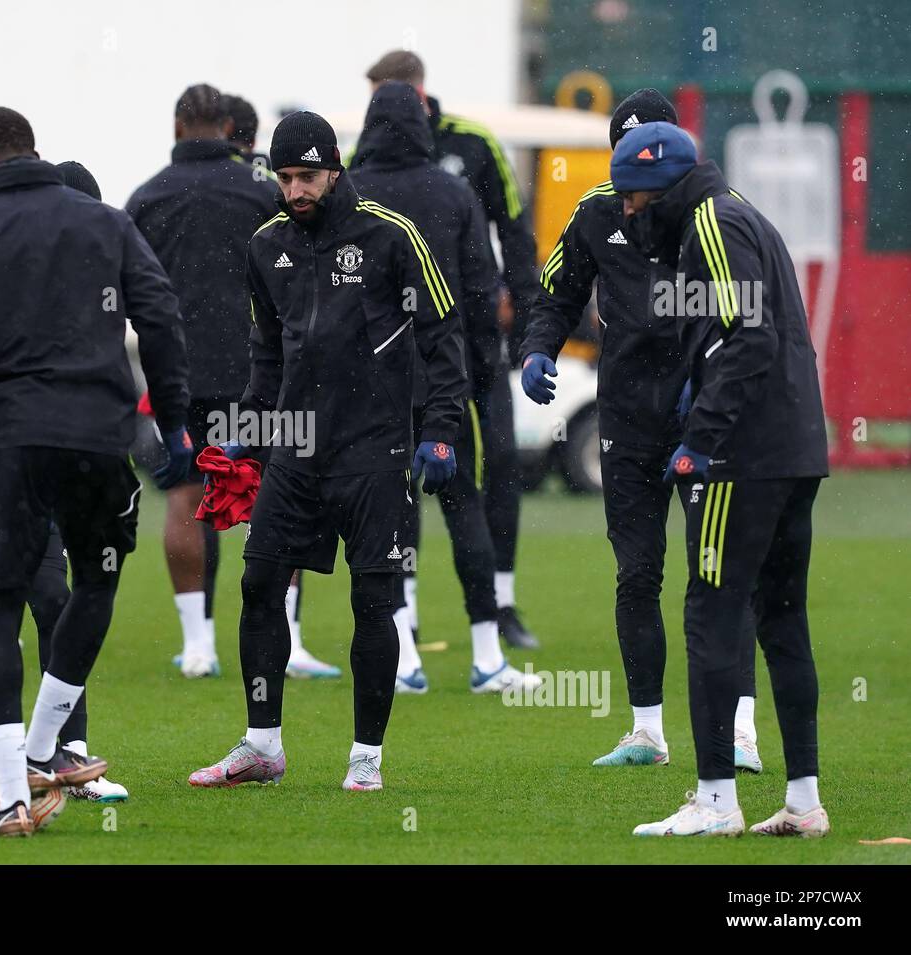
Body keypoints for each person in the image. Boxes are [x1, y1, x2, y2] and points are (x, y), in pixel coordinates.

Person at [0, 107, 189, 835]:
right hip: (102, 440)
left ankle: (14, 793)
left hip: (16, 444)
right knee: (96, 582)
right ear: (32, 150)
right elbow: (160, 315)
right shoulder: (104, 221)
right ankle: (46, 748)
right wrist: (174, 420)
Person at [188, 110, 466, 793]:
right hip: (294, 448)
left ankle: (365, 756)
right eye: (284, 178)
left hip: (374, 449)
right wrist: (245, 432)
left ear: (334, 169)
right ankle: (262, 746)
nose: (295, 190)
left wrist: (441, 429)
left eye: (307, 176)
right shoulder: (266, 245)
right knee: (258, 584)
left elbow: (443, 334)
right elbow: (266, 351)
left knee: (374, 599)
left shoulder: (391, 235)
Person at [520, 90, 763, 770]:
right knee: (637, 573)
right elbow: (558, 292)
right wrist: (538, 347)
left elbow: (746, 316)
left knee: (717, 572)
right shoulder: (599, 210)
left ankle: (741, 730)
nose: (636, 186)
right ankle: (647, 731)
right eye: (627, 162)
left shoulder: (715, 216)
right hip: (628, 416)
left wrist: (713, 386)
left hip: (705, 415)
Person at [610, 123, 830, 838]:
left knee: (709, 612)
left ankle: (715, 800)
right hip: (798, 448)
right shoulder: (744, 215)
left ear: (668, 185)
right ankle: (802, 802)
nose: (629, 212)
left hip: (744, 457)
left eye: (636, 197)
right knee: (782, 619)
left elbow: (748, 335)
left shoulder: (708, 221)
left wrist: (698, 439)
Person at [126, 85, 334, 679]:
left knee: (187, 498)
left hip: (178, 373)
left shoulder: (147, 197)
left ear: (176, 124)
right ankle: (288, 638)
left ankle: (198, 644)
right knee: (277, 496)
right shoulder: (264, 191)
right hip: (261, 372)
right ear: (226, 126)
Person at [350, 81, 542, 695]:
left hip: (374, 384)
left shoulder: (350, 195)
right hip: (446, 379)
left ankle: (403, 653)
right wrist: (484, 371)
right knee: (466, 510)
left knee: (390, 519)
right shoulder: (453, 191)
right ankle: (487, 654)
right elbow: (482, 294)